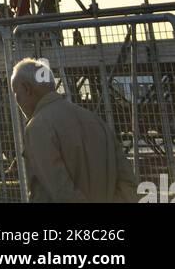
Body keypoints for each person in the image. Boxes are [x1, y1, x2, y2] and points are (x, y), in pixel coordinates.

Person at [10, 58, 137, 203]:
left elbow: (62, 192)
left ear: (27, 88)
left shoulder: (37, 127)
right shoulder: (95, 120)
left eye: (16, 94)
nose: (17, 101)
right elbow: (128, 182)